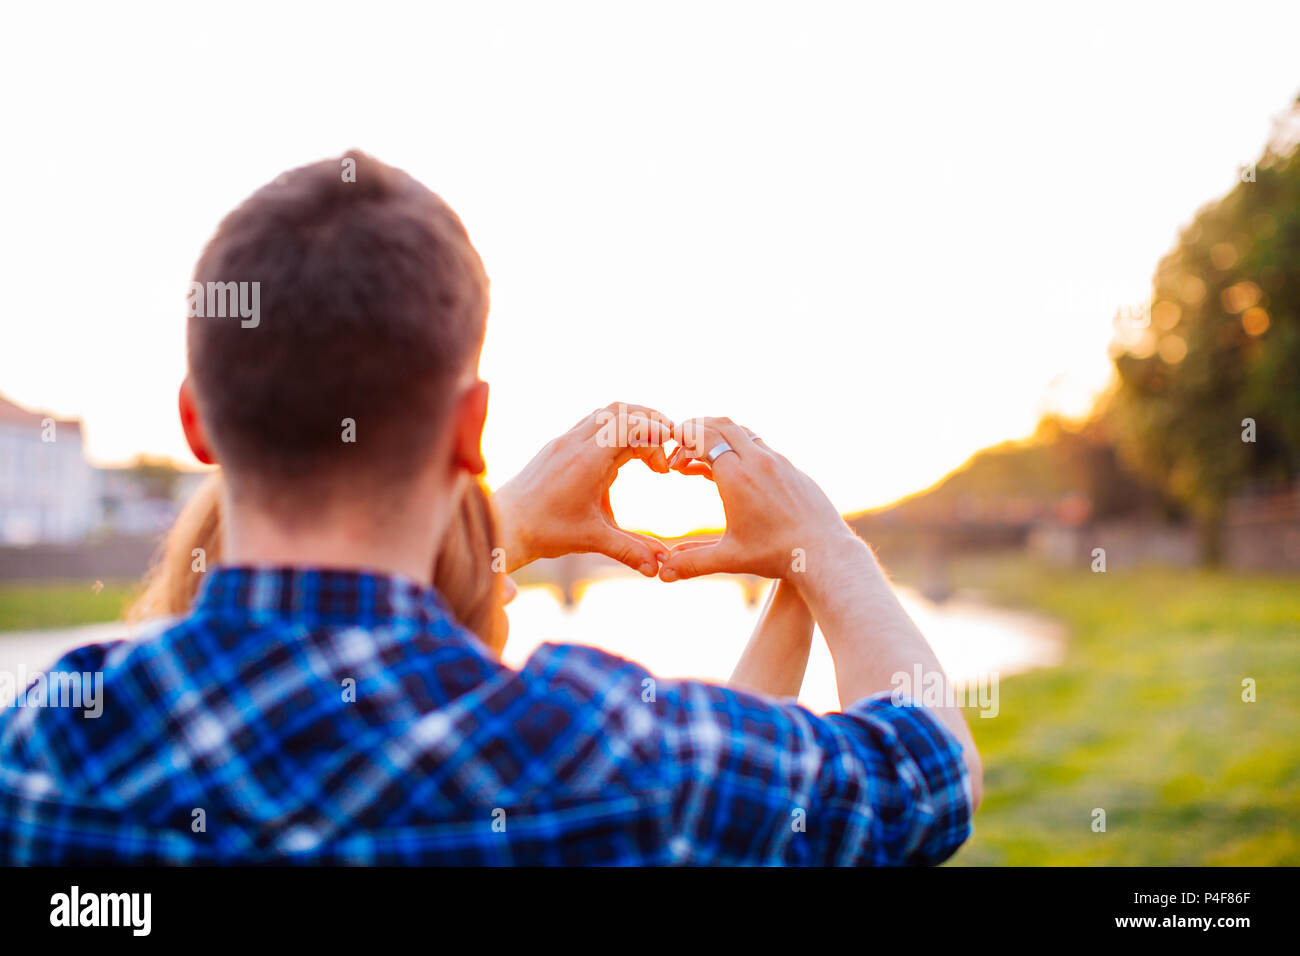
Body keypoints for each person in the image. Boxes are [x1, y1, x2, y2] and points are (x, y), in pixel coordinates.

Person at [0, 152, 979, 865]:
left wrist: (501, 531)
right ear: (472, 428)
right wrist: (824, 550)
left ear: (195, 421)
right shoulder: (595, 759)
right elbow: (927, 773)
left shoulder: (43, 753)